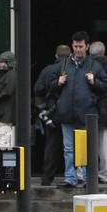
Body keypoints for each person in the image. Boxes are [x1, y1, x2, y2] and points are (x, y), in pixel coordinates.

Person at [54, 31, 107, 187]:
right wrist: (57, 82)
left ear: (87, 47)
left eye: (80, 46)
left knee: (86, 148)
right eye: (75, 46)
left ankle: (87, 179)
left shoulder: (94, 65)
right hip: (67, 113)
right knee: (69, 149)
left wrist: (94, 82)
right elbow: (48, 85)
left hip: (86, 114)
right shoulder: (64, 64)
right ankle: (70, 178)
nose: (78, 49)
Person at [34, 45, 70, 185]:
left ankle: (47, 177)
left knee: (51, 145)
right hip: (70, 111)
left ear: (56, 56)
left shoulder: (47, 70)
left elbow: (38, 89)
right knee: (72, 146)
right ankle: (72, 176)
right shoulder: (73, 69)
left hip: (52, 112)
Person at [89, 41, 107, 182]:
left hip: (89, 110)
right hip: (105, 110)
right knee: (103, 143)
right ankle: (105, 174)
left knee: (87, 143)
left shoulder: (86, 66)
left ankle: (88, 174)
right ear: (103, 52)